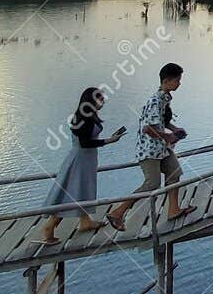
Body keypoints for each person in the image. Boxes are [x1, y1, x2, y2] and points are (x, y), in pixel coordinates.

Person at [108, 63, 194, 230]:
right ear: (166, 81)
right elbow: (148, 129)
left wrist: (174, 129)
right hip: (149, 149)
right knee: (152, 184)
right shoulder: (155, 101)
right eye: (177, 80)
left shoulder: (165, 98)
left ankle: (173, 209)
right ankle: (118, 212)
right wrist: (168, 136)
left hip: (161, 147)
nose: (179, 83)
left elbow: (161, 121)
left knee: (174, 173)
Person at [36, 88, 126, 245]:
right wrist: (109, 141)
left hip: (87, 159)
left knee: (83, 189)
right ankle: (49, 227)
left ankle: (85, 221)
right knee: (71, 193)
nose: (103, 102)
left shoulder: (88, 116)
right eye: (100, 99)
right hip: (80, 160)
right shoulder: (83, 119)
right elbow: (85, 143)